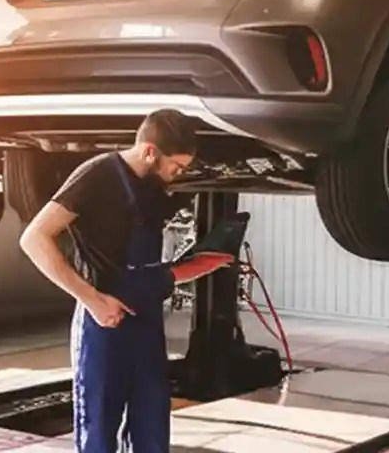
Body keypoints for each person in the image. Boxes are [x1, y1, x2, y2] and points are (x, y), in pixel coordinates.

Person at [18, 109, 236, 453]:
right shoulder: (97, 175)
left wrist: (201, 262)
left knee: (152, 431)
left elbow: (148, 268)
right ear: (150, 151)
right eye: (175, 167)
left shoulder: (153, 188)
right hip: (104, 327)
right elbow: (34, 238)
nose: (177, 175)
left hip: (147, 325)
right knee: (100, 435)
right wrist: (91, 298)